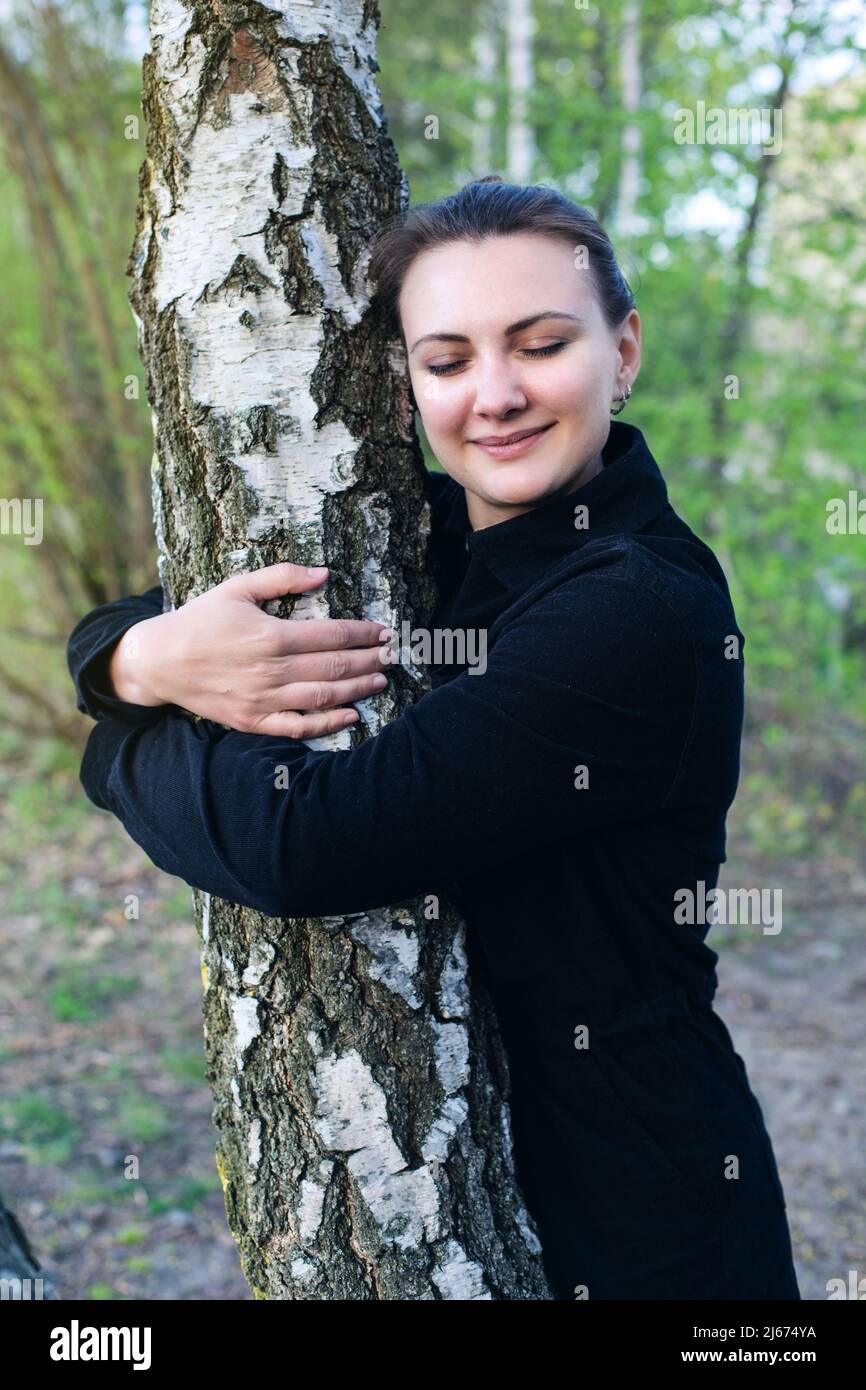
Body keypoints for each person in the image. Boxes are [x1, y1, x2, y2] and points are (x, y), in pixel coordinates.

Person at [66, 178, 801, 1301]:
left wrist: (114, 743)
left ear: (623, 350)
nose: (494, 395)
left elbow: (303, 843)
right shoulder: (406, 532)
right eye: (446, 360)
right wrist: (139, 665)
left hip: (643, 1224)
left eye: (540, 343)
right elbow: (124, 620)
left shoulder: (637, 607)